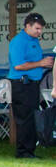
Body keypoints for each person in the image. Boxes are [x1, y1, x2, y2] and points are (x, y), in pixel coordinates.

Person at [7, 12, 53, 159]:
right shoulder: (19, 41)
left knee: (31, 117)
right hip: (22, 84)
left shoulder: (33, 40)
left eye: (41, 29)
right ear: (27, 26)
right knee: (24, 118)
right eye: (37, 29)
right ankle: (23, 152)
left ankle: (29, 150)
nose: (40, 32)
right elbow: (18, 65)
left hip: (32, 83)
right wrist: (41, 63)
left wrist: (43, 65)